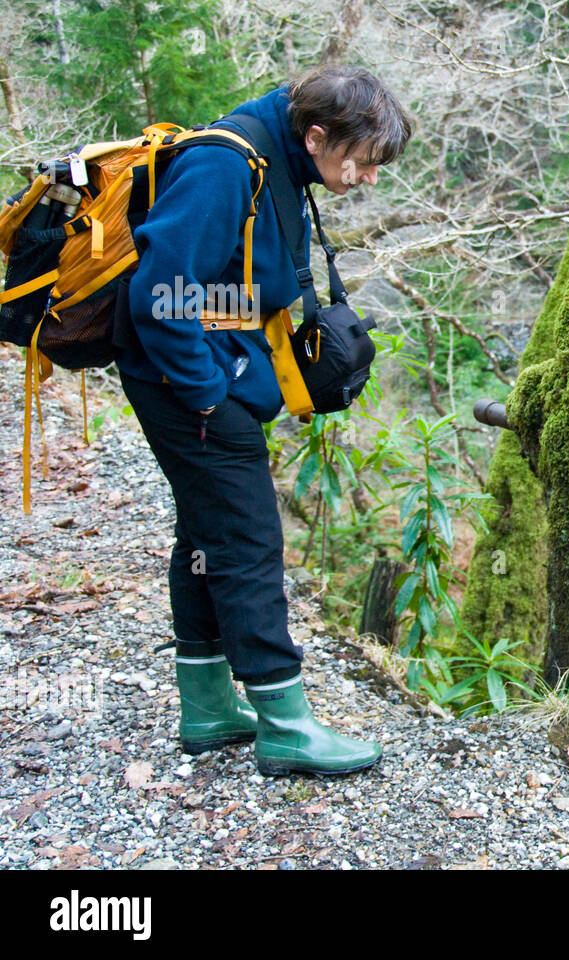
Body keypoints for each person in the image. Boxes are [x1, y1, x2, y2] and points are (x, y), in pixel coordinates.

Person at [115, 66, 412, 776]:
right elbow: (159, 296)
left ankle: (210, 706)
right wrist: (211, 395)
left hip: (209, 379)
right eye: (364, 163)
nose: (368, 179)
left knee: (208, 533)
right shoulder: (225, 168)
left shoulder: (278, 156)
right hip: (182, 387)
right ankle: (286, 724)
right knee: (248, 543)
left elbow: (225, 290)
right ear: (316, 136)